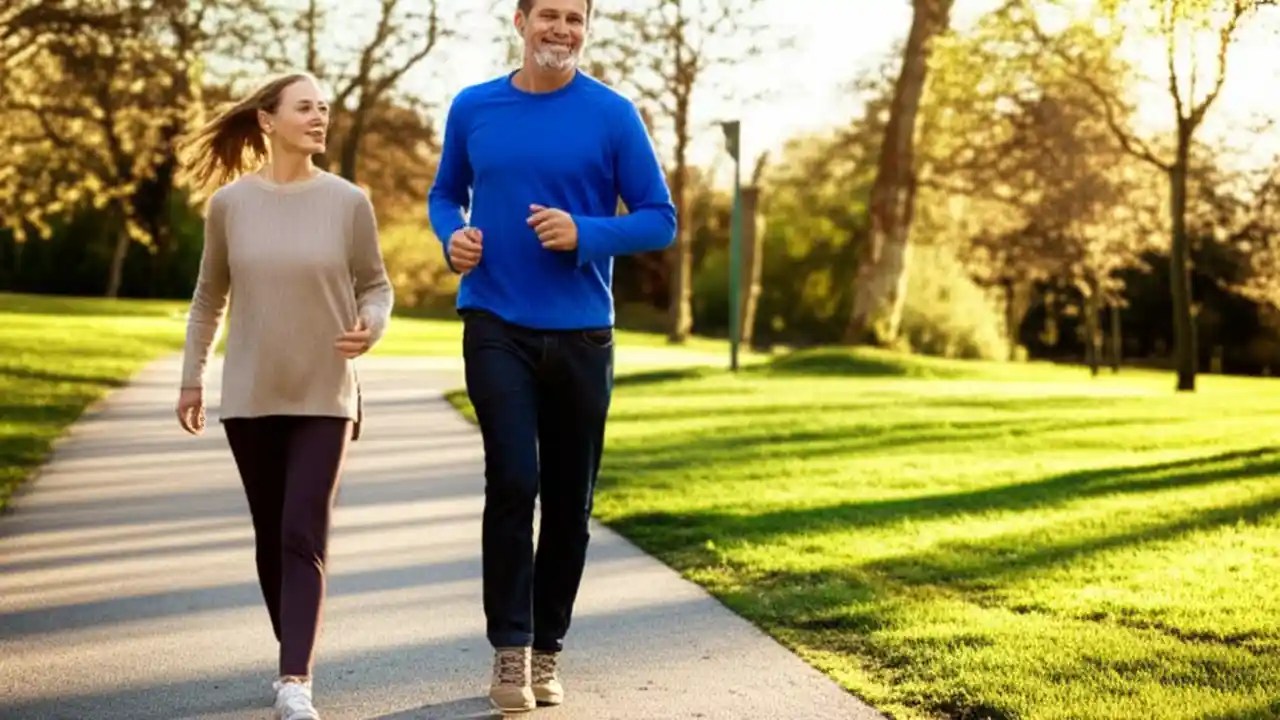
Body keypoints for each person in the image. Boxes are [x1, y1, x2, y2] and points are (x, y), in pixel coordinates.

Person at [427, 0, 676, 712]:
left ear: (587, 27)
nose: (561, 30)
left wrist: (586, 233)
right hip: (494, 319)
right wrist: (454, 236)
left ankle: (546, 650)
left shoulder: (612, 114)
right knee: (513, 478)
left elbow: (660, 220)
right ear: (520, 21)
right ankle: (510, 648)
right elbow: (447, 193)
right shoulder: (475, 107)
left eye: (575, 18)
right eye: (549, 16)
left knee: (570, 502)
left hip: (580, 333)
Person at [175, 71, 393, 720]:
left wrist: (372, 326)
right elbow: (208, 296)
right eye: (306, 108)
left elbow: (376, 286)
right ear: (269, 121)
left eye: (325, 109)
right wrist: (192, 376)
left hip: (327, 393)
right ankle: (292, 644)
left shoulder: (349, 201)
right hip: (250, 396)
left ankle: (294, 678)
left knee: (303, 531)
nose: (320, 118)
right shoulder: (230, 205)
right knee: (272, 534)